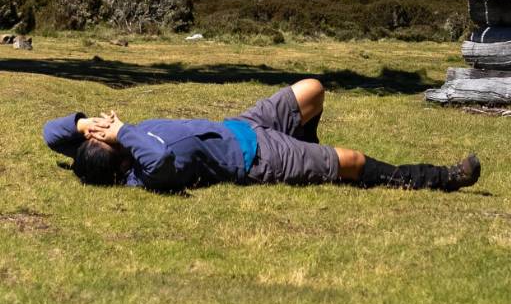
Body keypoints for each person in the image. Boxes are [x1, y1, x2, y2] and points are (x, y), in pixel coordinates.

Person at [43, 78, 481, 193]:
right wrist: (123, 131)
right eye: (103, 139)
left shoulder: (118, 146)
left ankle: (309, 147)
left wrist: (82, 126)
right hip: (260, 157)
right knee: (352, 161)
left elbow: (49, 135)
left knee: (312, 90)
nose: (105, 131)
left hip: (244, 122)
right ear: (120, 160)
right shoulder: (144, 171)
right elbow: (160, 159)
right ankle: (440, 177)